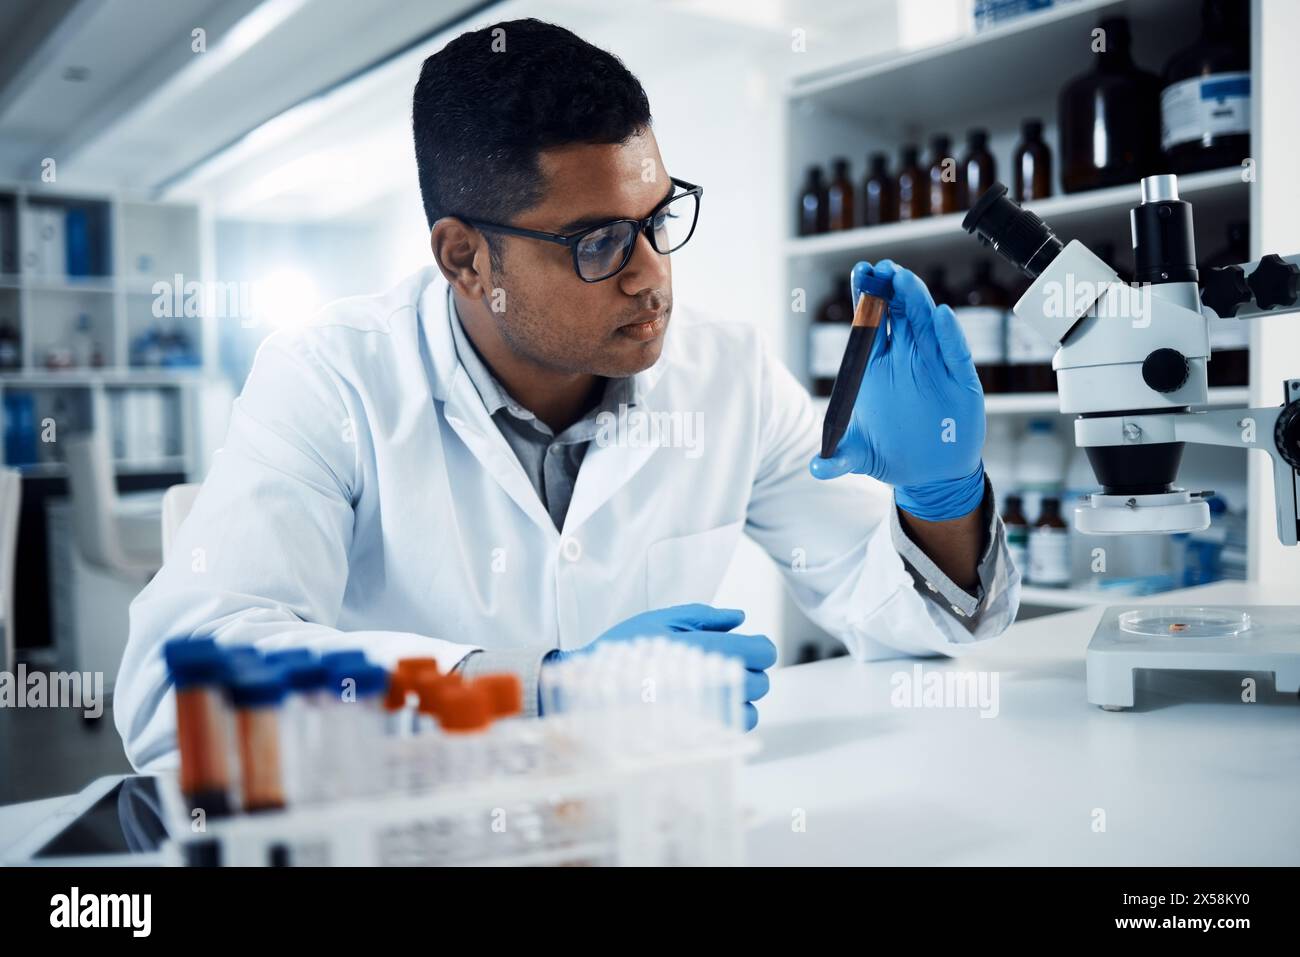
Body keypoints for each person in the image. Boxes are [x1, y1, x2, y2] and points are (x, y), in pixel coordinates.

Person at [115, 18, 1019, 770]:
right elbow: (179, 690)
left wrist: (941, 498)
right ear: (467, 259)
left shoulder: (726, 376)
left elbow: (900, 622)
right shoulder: (330, 376)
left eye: (660, 218)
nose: (652, 278)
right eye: (597, 243)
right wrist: (539, 691)